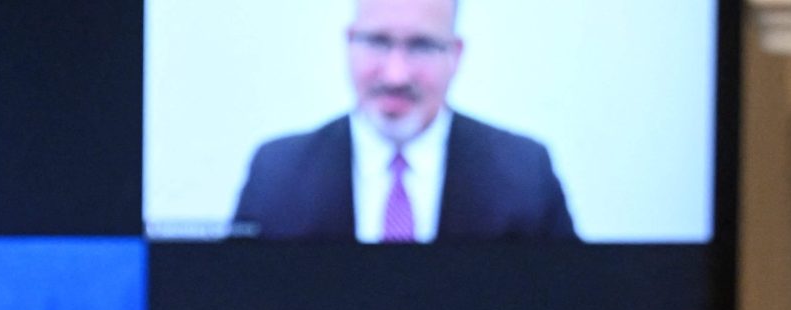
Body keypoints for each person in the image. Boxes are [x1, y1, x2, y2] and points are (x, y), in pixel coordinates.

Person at [232, 0, 575, 243]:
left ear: (455, 55)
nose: (396, 74)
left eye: (421, 45)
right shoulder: (277, 174)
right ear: (349, 43)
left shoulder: (526, 176)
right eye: (378, 42)